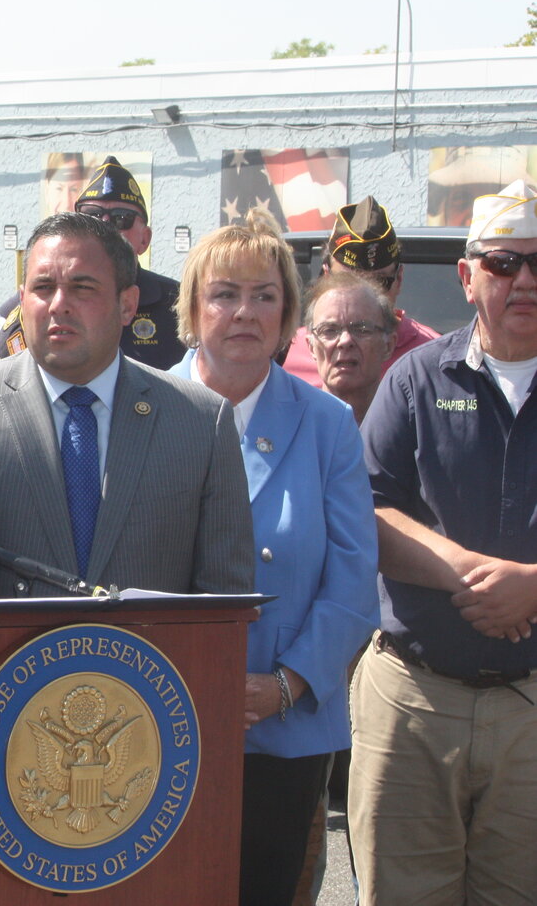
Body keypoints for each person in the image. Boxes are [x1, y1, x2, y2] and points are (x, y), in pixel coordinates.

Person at [169, 212, 378, 906]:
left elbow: (353, 580)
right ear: (193, 308)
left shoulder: (328, 425)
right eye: (225, 293)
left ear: (288, 315)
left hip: (285, 727)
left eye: (265, 295)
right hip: (157, 714)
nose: (245, 312)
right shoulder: (142, 408)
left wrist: (285, 686)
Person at [350, 180, 537, 904]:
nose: (525, 280)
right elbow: (366, 508)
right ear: (466, 276)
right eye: (503, 263)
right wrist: (469, 573)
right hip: (413, 701)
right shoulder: (414, 379)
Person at [0, 211, 253, 596]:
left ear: (128, 304)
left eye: (82, 287)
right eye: (43, 287)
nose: (59, 305)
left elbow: (225, 598)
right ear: (22, 300)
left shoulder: (200, 421)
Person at [0, 156, 185, 370]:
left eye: (121, 218)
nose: (105, 226)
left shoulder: (178, 302)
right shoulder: (33, 301)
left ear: (145, 239)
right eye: (92, 215)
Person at [280, 196, 439, 386]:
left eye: (379, 282)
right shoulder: (287, 353)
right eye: (348, 281)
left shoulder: (433, 355)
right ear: (326, 277)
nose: (363, 296)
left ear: (399, 279)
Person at [304, 272, 397, 423]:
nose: (345, 341)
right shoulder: (288, 427)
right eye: (329, 330)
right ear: (311, 347)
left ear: (388, 345)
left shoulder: (412, 426)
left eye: (362, 329)